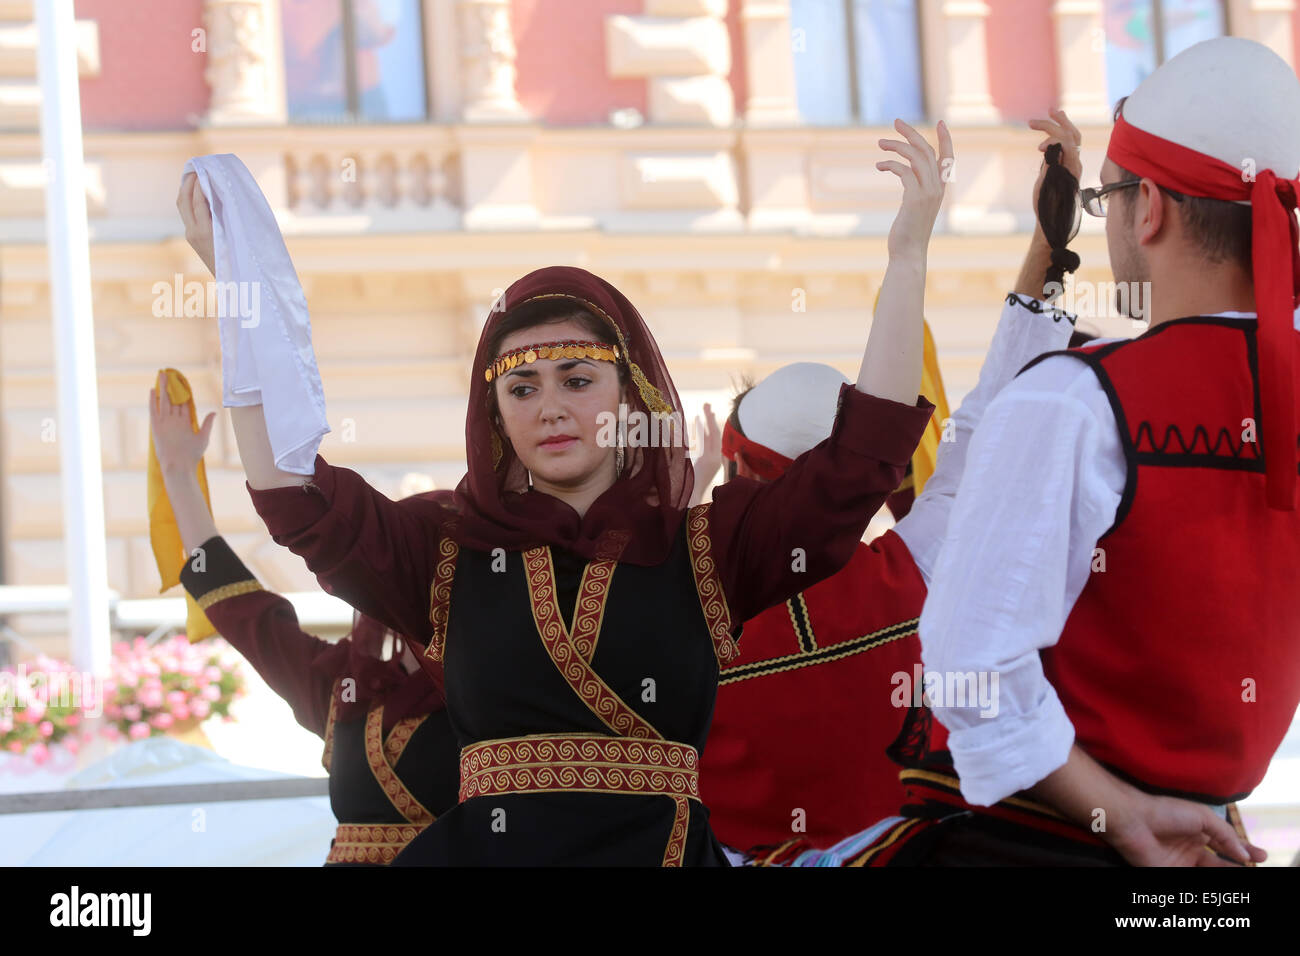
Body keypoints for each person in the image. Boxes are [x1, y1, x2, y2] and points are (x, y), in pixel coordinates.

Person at [173, 119, 952, 865]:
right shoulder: (445, 553)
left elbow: (860, 460)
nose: (549, 405)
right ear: (495, 416)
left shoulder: (704, 549)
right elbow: (291, 492)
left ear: (629, 394)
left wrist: (908, 252)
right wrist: (244, 299)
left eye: (577, 380)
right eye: (521, 388)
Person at [872, 37, 1293, 867]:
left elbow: (971, 668)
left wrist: (1123, 814)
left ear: (1150, 209)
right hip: (1215, 853)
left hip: (1041, 845)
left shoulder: (1078, 399)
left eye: (1107, 199)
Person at [700, 112, 1086, 857]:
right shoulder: (919, 576)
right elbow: (991, 415)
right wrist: (1048, 239)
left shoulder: (662, 612)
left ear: (736, 463)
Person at [149, 373, 460, 865]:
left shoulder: (498, 687)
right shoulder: (343, 685)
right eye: (405, 558)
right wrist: (178, 474)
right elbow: (241, 608)